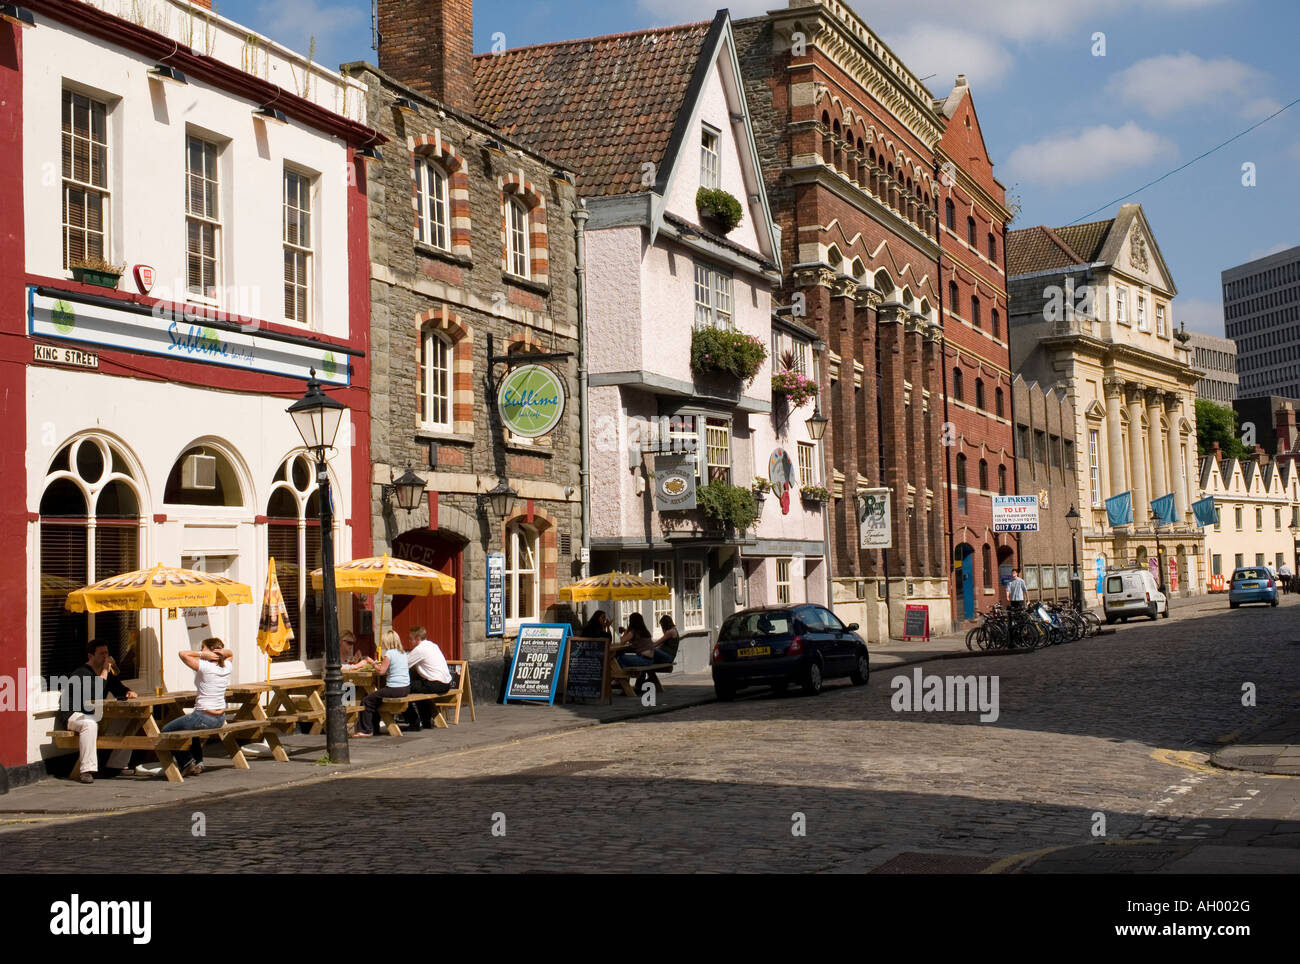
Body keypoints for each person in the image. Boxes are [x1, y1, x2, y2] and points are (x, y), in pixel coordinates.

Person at [58, 639, 138, 784]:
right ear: (90, 656)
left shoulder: (105, 673)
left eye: (107, 653)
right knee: (89, 724)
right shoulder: (81, 673)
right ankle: (86, 771)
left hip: (93, 714)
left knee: (129, 718)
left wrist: (128, 692)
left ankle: (117, 764)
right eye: (101, 653)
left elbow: (118, 688)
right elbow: (93, 694)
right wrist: (105, 671)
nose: (105, 656)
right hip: (73, 714)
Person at [158, 637, 233, 778]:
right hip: (220, 718)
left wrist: (202, 655)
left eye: (202, 648)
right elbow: (231, 654)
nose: (200, 651)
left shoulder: (206, 667)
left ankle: (186, 761)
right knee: (192, 730)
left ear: (210, 652)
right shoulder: (227, 667)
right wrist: (220, 653)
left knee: (165, 731)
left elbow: (182, 654)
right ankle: (198, 762)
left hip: (204, 716)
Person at [353, 630, 410, 738]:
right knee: (375, 699)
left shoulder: (389, 653)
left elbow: (381, 671)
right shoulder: (403, 653)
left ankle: (366, 730)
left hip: (394, 688)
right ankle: (375, 727)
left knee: (367, 700)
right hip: (405, 687)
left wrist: (372, 662)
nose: (382, 644)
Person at [402, 626, 455, 731]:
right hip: (446, 684)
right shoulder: (432, 645)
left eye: (410, 639)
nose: (409, 641)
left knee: (402, 689)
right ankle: (426, 721)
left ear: (417, 639)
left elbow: (403, 664)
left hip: (435, 683)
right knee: (418, 689)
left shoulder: (420, 649)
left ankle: (413, 721)